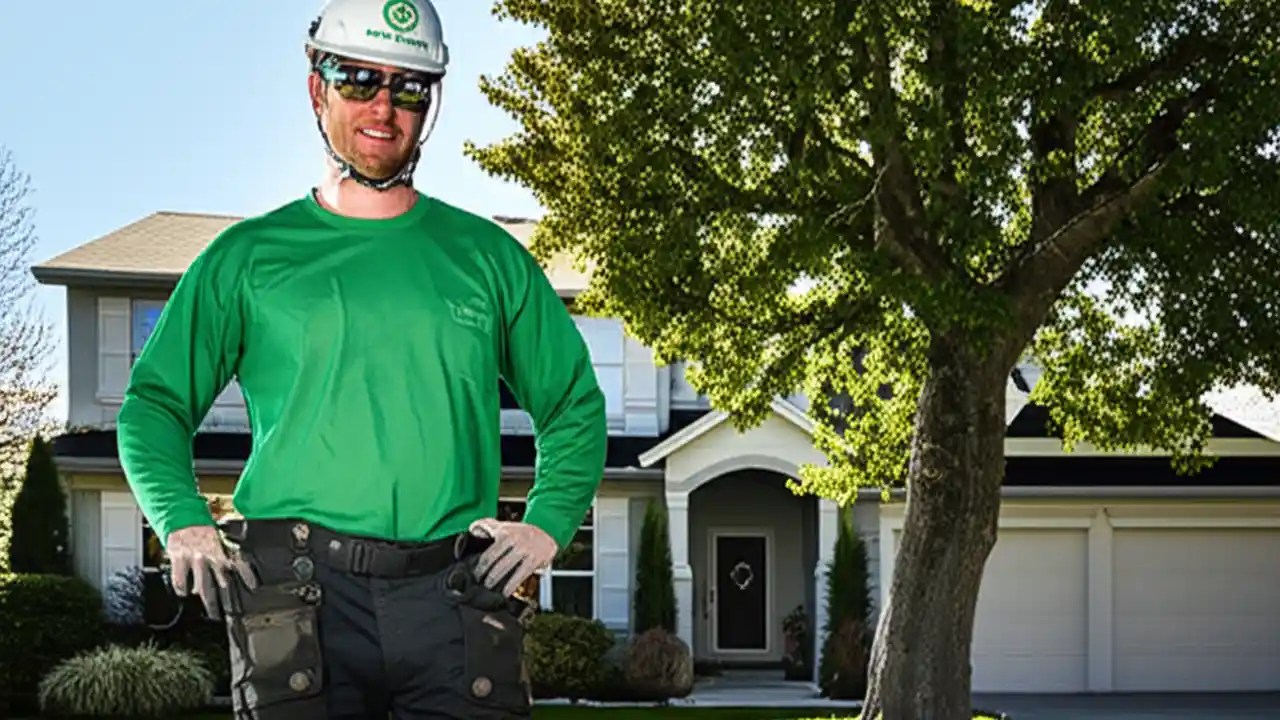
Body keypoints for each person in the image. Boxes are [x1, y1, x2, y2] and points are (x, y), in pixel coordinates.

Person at [115, 0, 608, 717]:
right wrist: (181, 517)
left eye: (409, 88)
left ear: (430, 102)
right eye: (359, 79)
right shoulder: (246, 259)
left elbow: (572, 404)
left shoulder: (488, 258)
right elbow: (154, 405)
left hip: (453, 598)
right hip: (295, 595)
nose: (384, 106)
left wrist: (549, 521)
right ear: (317, 87)